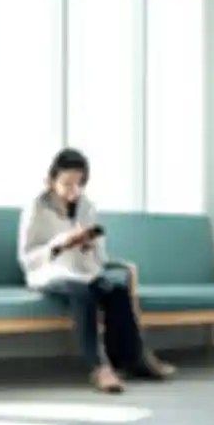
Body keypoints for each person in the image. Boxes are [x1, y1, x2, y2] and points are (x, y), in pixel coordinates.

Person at [19, 148, 174, 393]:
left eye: (79, 184)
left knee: (118, 290)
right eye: (67, 184)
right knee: (83, 293)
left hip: (82, 271)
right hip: (49, 273)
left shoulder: (87, 206)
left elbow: (101, 257)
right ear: (51, 180)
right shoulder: (36, 208)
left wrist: (89, 246)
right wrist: (58, 245)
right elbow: (27, 258)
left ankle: (134, 359)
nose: (74, 191)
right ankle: (100, 368)